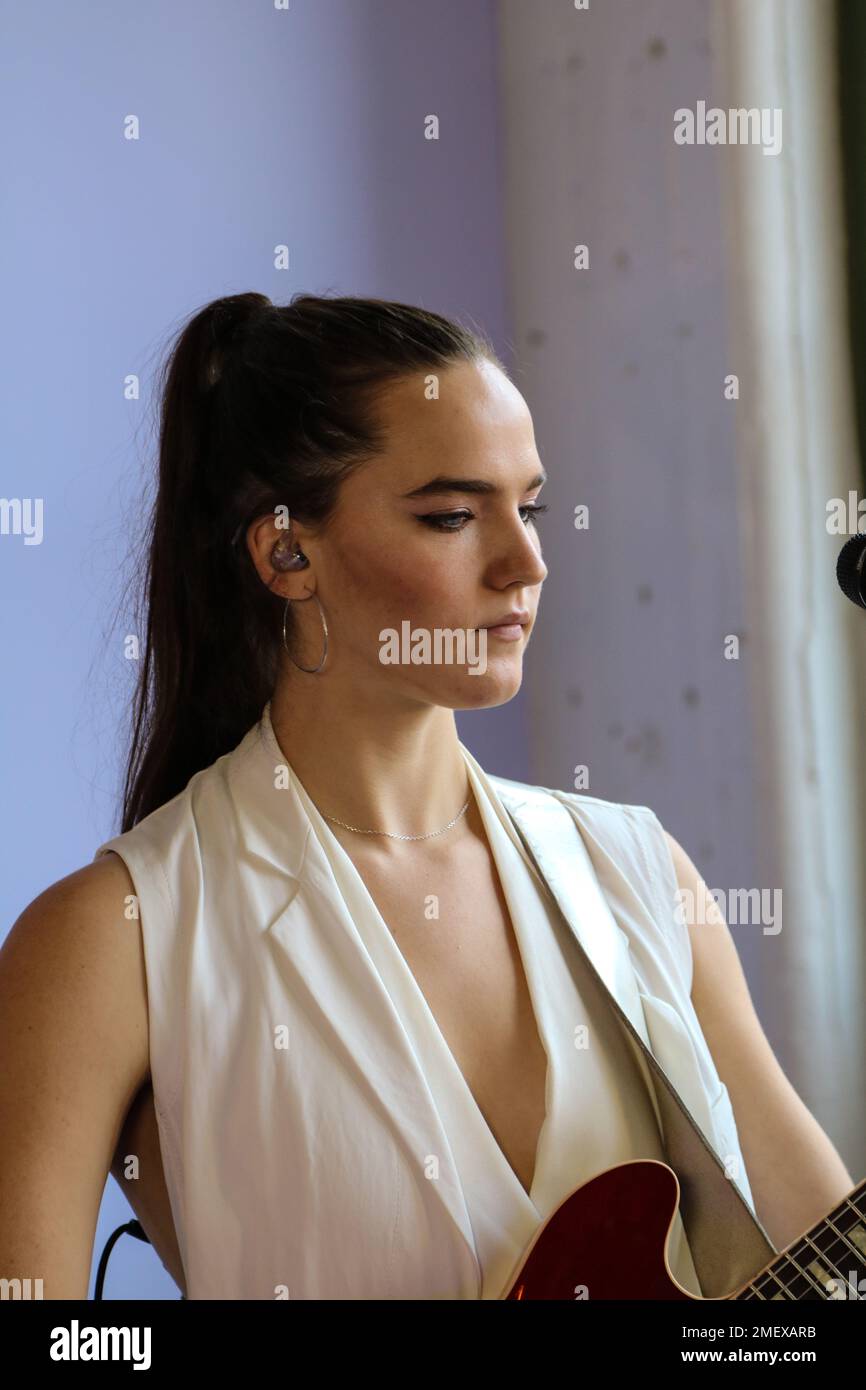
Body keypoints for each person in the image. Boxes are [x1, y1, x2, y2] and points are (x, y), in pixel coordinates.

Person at [0, 293, 854, 1301]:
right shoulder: (114, 938)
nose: (525, 563)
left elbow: (826, 1280)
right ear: (286, 553)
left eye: (529, 508)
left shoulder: (637, 874)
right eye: (452, 515)